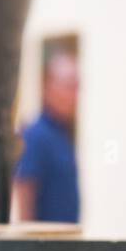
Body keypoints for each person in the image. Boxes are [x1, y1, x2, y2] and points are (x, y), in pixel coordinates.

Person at [14, 50, 80, 223]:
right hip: (45, 245)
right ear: (48, 87)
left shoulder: (62, 133)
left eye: (77, 87)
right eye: (69, 86)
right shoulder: (36, 135)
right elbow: (26, 193)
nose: (74, 95)